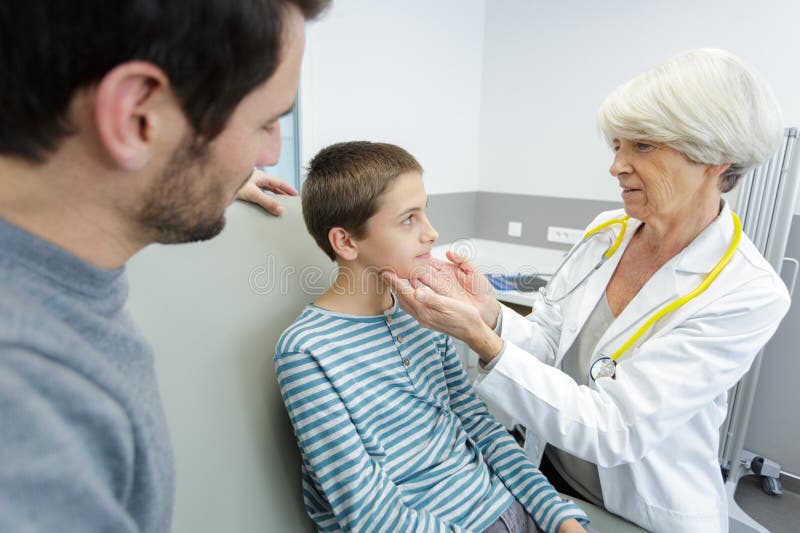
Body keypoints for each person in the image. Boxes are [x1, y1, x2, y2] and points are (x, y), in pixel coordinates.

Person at [383, 49, 792, 533]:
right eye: (616, 146)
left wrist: (482, 340)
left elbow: (616, 427)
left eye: (641, 146)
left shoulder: (747, 291)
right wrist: (492, 316)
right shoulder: (607, 233)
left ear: (714, 158)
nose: (616, 166)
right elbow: (550, 345)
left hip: (640, 510)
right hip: (549, 478)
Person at [0, 1, 328, 531]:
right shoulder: (26, 405)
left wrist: (199, 169)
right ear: (135, 117)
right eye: (266, 122)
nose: (270, 154)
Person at [275, 141, 592, 533]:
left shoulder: (423, 317)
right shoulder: (308, 352)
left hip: (507, 506)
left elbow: (483, 430)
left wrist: (558, 517)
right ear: (346, 242)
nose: (432, 233)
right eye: (409, 219)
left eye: (426, 212)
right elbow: (371, 515)